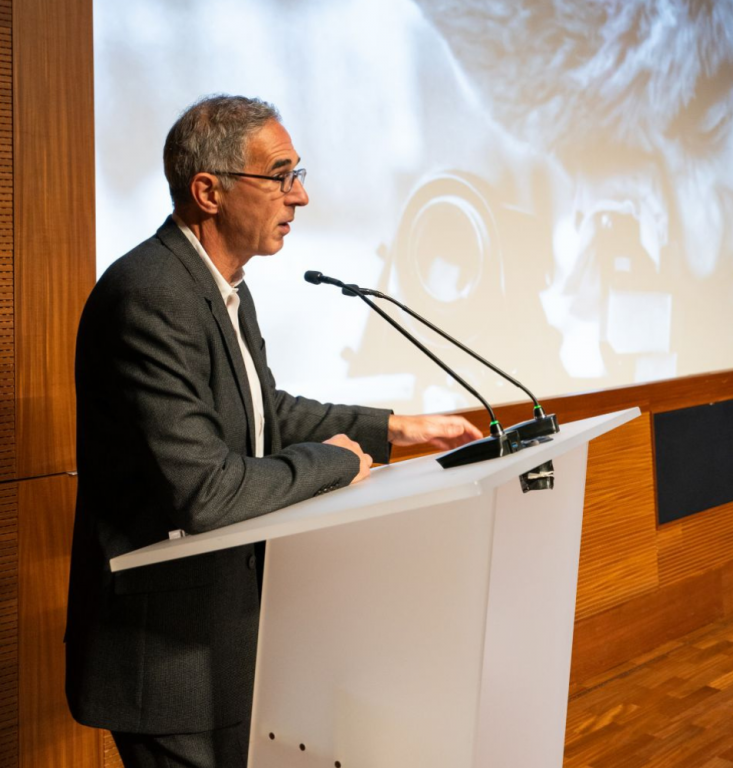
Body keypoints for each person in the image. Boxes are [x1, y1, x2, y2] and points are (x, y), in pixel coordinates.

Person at [65, 94, 482, 768]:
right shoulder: (151, 294)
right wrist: (336, 464)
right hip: (169, 656)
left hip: (222, 635)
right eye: (282, 176)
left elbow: (264, 412)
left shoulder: (221, 283)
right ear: (209, 190)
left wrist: (395, 428)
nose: (302, 196)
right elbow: (205, 490)